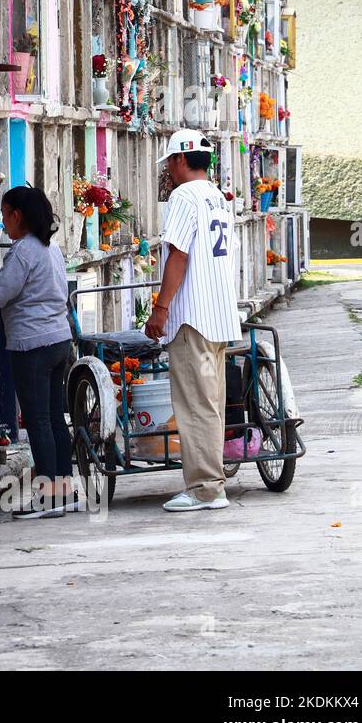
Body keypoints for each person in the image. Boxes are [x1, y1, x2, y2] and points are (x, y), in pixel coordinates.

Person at [0, 186, 76, 519]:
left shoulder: (23, 251)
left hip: (32, 345)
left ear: (17, 216)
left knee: (37, 422)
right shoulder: (50, 248)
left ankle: (50, 498)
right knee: (54, 420)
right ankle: (64, 492)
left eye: (5, 214)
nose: (4, 222)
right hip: (58, 340)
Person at [143, 129, 242, 512]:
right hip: (218, 314)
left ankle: (205, 488)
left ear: (181, 159)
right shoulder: (216, 196)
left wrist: (161, 308)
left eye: (169, 161)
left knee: (196, 404)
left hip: (192, 317)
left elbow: (178, 255)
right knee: (210, 402)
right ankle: (210, 482)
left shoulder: (183, 196)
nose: (168, 169)